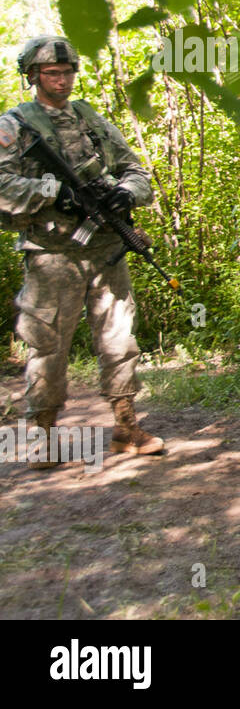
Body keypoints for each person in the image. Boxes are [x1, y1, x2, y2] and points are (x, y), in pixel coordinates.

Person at [0, 35, 163, 468]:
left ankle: (126, 426)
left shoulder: (89, 118)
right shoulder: (15, 125)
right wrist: (54, 194)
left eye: (68, 71)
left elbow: (133, 169)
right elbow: (2, 187)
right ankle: (43, 435)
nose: (62, 80)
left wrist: (125, 195)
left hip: (105, 246)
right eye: (52, 73)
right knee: (47, 341)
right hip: (53, 253)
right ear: (33, 76)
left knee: (119, 338)